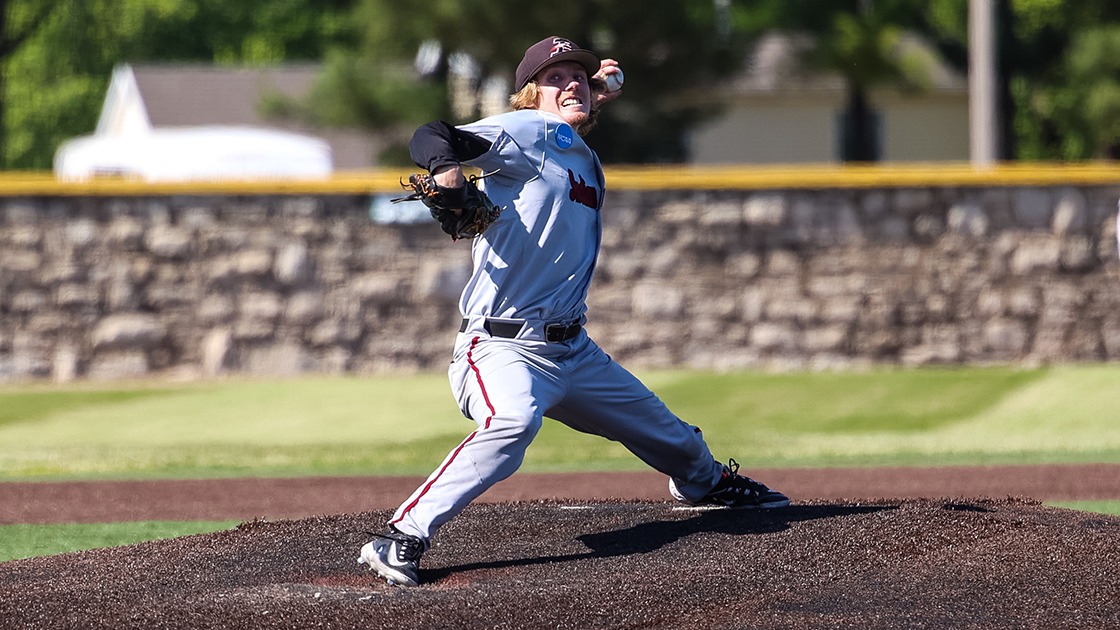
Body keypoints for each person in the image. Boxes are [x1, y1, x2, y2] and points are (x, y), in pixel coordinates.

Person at [358, 36, 789, 588]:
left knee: (677, 440)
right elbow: (431, 135)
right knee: (512, 423)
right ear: (529, 94)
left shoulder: (572, 149)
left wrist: (590, 95)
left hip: (572, 351)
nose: (572, 83)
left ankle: (702, 485)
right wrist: (446, 172)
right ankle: (400, 536)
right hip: (503, 346)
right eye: (555, 77)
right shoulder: (524, 132)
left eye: (578, 75)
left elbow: (565, 124)